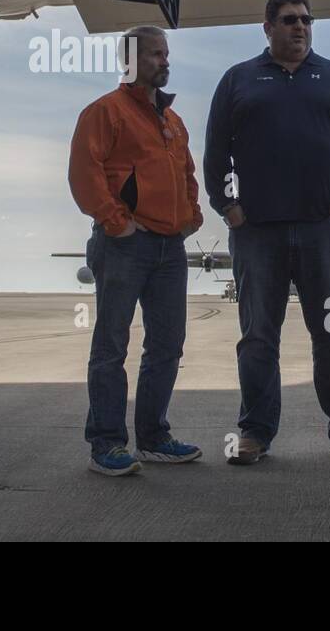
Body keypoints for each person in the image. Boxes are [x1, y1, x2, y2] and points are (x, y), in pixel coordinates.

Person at [204, 0, 330, 466]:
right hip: (258, 231)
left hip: (325, 229)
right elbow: (216, 149)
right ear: (267, 27)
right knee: (258, 335)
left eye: (306, 20)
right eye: (288, 20)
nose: (299, 27)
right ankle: (255, 433)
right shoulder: (239, 79)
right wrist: (227, 205)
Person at [68, 25, 203, 476]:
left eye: (165, 54)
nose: (164, 61)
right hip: (125, 245)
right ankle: (106, 444)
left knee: (167, 345)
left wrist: (191, 217)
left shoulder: (172, 120)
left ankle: (153, 438)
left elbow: (186, 172)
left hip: (170, 248)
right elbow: (84, 175)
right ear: (129, 61)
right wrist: (117, 223)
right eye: (153, 55)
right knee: (111, 345)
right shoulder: (104, 112)